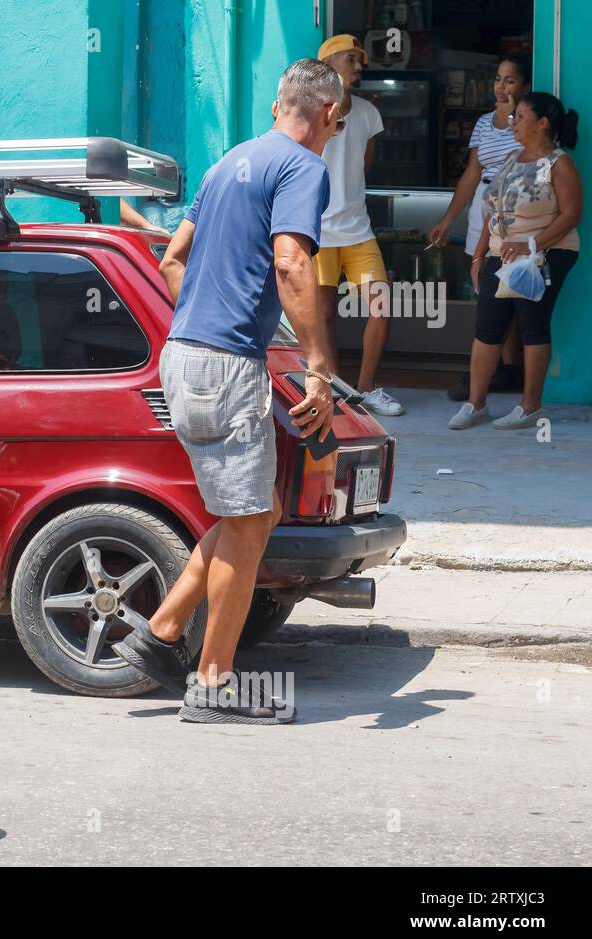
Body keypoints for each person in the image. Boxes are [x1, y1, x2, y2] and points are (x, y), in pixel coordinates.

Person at [112, 59, 339, 725]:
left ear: (277, 105)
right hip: (222, 362)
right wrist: (318, 363)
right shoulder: (302, 167)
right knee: (247, 521)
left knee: (255, 512)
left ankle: (162, 630)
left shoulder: (226, 164)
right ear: (326, 115)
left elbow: (170, 259)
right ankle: (213, 685)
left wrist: (206, 323)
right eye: (339, 122)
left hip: (182, 355)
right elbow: (292, 261)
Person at [450, 92, 582, 432]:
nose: (513, 122)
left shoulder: (559, 163)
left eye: (520, 117)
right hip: (500, 252)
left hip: (545, 254)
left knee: (532, 325)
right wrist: (480, 254)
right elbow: (492, 211)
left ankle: (529, 407)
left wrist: (531, 245)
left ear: (542, 123)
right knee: (487, 327)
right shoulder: (511, 157)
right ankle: (475, 403)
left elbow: (571, 215)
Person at [431, 55, 532, 401]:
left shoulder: (529, 123)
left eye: (510, 81)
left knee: (506, 288)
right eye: (498, 81)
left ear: (525, 87)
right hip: (482, 211)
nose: (501, 88)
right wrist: (447, 219)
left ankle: (498, 368)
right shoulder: (484, 124)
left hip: (515, 211)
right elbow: (473, 174)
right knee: (485, 288)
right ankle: (502, 368)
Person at [314, 34, 402, 416]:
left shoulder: (367, 112)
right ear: (331, 62)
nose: (360, 65)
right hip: (316, 230)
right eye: (352, 58)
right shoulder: (313, 110)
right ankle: (332, 387)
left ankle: (367, 388)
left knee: (381, 307)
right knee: (322, 313)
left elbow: (365, 164)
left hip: (358, 229)